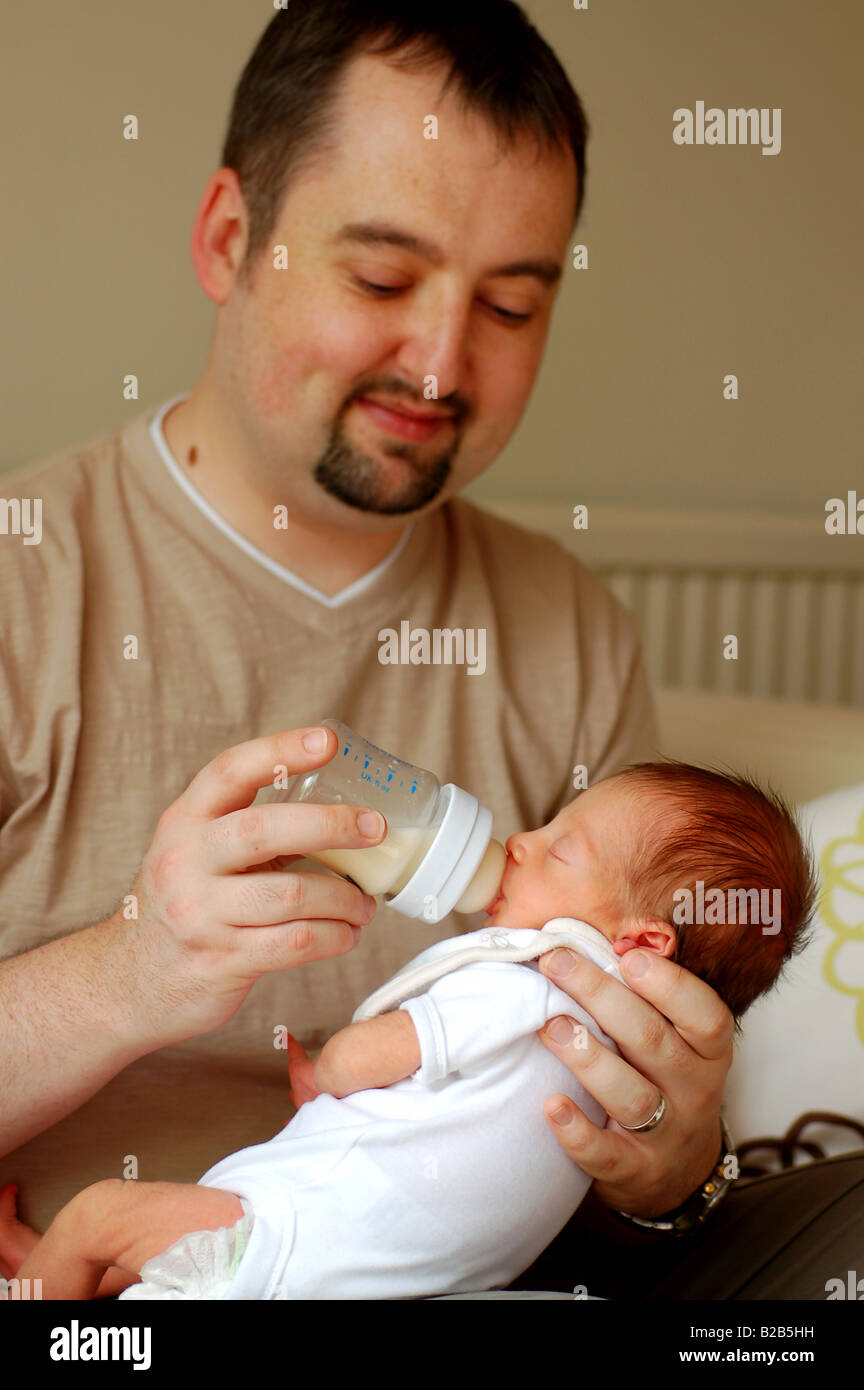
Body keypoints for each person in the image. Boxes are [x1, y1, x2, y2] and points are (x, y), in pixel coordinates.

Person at [0, 2, 733, 1287]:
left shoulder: (568, 634)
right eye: (383, 281)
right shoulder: (26, 585)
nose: (442, 365)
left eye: (510, 304)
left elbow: (592, 1173)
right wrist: (132, 970)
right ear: (230, 240)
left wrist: (674, 1173)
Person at [0, 759, 816, 1300]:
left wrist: (335, 1067)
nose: (520, 842)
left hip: (285, 1238)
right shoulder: (604, 1048)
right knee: (140, 1253)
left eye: (559, 851)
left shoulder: (531, 986)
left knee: (100, 1215)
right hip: (361, 1273)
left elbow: (371, 1055)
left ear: (641, 941)